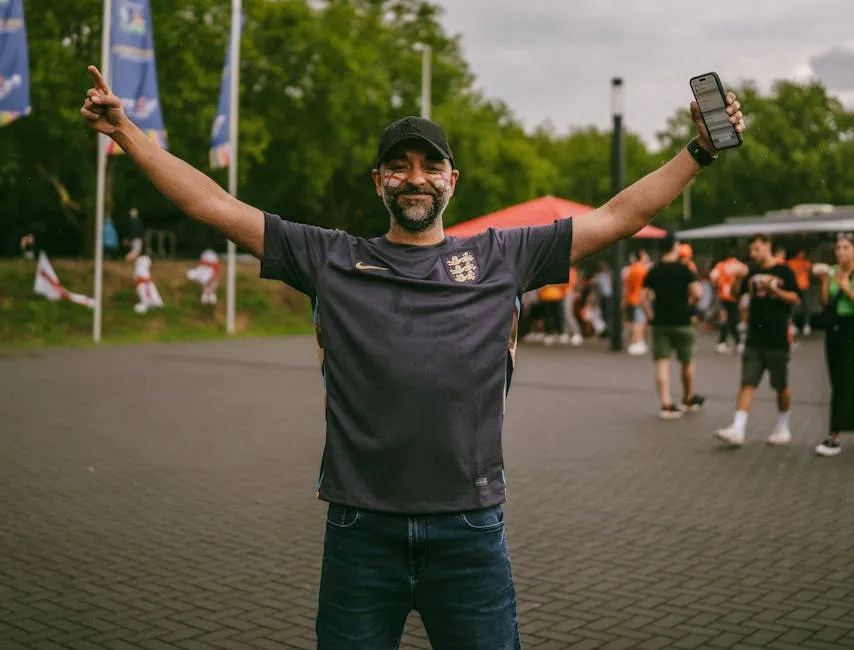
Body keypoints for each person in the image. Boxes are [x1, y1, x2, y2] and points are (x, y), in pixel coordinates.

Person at [80, 64, 746, 649]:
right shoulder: (331, 259)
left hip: (470, 530)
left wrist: (700, 150)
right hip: (360, 530)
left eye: (430, 165)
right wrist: (126, 133)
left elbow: (622, 215)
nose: (416, 178)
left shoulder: (501, 257)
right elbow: (211, 204)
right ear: (379, 181)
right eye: (400, 166)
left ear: (452, 178)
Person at [716, 234, 800, 448]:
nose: (753, 254)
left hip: (778, 337)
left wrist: (776, 290)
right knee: (747, 382)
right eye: (751, 250)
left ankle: (783, 426)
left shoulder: (784, 271)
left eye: (757, 249)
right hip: (755, 336)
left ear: (768, 246)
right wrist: (737, 277)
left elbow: (795, 298)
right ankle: (738, 428)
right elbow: (736, 294)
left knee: (780, 385)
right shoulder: (751, 271)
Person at [643, 233, 705, 419]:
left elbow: (642, 298)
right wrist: (689, 303)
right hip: (683, 321)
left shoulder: (654, 270)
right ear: (675, 246)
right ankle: (687, 399)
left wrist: (650, 316)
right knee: (687, 361)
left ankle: (666, 404)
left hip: (661, 322)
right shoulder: (685, 269)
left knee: (662, 363)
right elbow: (698, 293)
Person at [815, 234, 854, 457]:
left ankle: (834, 435)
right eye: (838, 248)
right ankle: (836, 432)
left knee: (845, 380)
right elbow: (825, 303)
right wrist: (824, 283)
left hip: (852, 328)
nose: (841, 252)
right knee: (838, 378)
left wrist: (846, 286)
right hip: (836, 330)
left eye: (846, 248)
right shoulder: (832, 271)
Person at [710, 252, 748, 353]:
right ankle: (728, 342)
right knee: (733, 319)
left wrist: (718, 286)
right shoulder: (737, 265)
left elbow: (712, 277)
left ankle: (733, 342)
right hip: (733, 295)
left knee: (729, 319)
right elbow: (746, 272)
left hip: (723, 295)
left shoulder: (720, 266)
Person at [624, 250, 651, 355]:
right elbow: (647, 286)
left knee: (636, 321)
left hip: (632, 298)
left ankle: (638, 341)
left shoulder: (631, 269)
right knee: (639, 322)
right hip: (641, 299)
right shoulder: (644, 269)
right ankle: (635, 342)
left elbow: (627, 285)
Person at [787, 249, 813, 336]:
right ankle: (792, 325)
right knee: (792, 306)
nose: (802, 254)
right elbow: (790, 272)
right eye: (801, 253)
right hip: (794, 286)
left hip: (805, 286)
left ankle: (806, 325)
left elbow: (810, 269)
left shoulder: (806, 262)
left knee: (806, 306)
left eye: (803, 253)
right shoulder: (791, 262)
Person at [561, 266, 584, 346]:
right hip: (564, 293)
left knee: (568, 313)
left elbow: (571, 283)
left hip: (569, 292)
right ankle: (567, 333)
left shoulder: (571, 270)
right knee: (565, 313)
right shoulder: (566, 269)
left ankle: (577, 333)